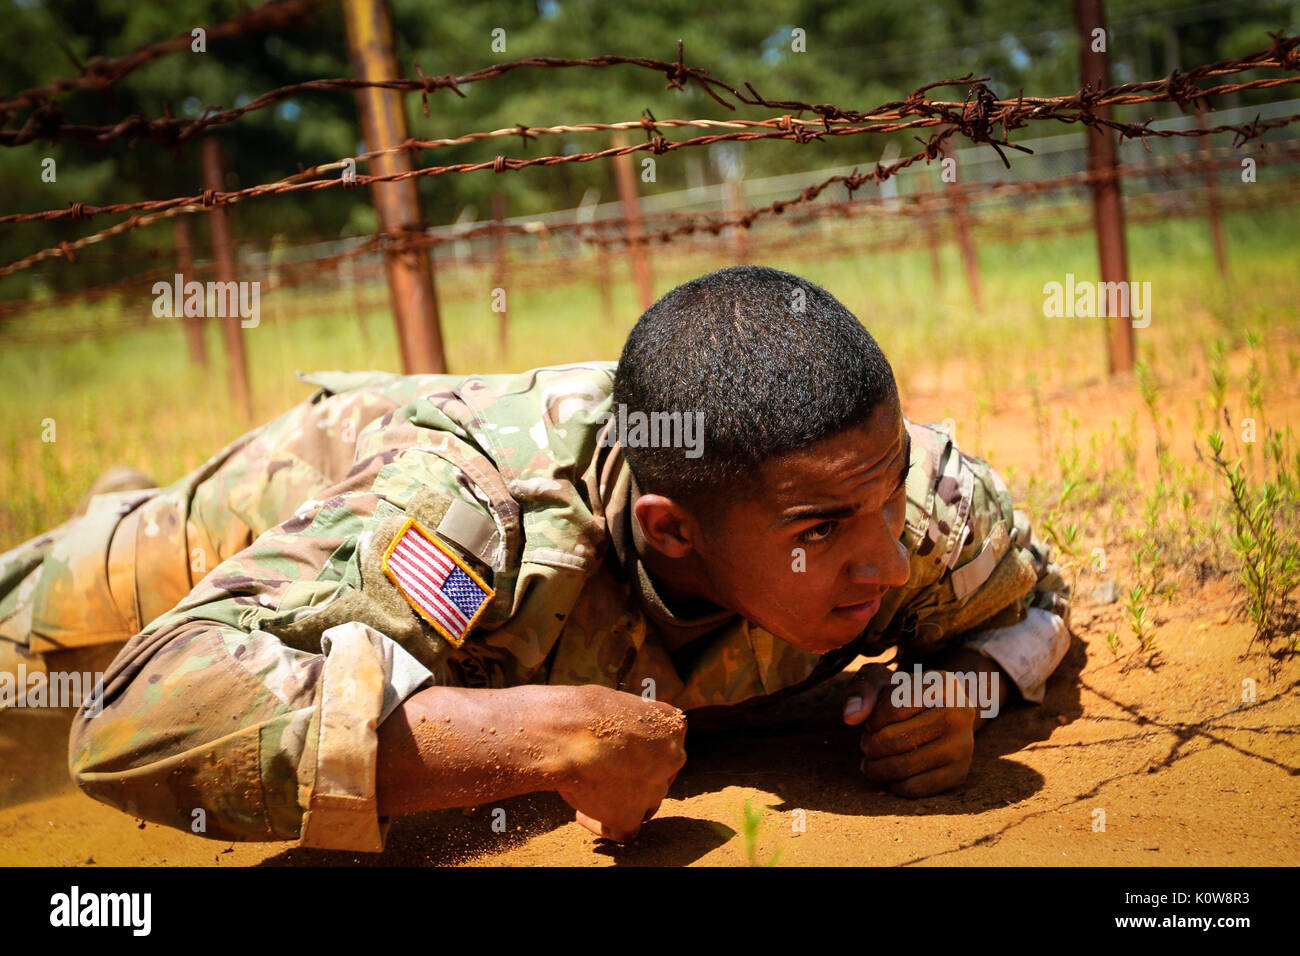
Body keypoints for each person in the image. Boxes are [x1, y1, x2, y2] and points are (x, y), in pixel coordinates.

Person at [0, 265, 1070, 851]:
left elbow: (1036, 601)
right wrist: (544, 729)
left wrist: (964, 683)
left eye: (883, 503)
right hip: (303, 491)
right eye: (821, 535)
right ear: (670, 529)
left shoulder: (911, 496)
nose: (886, 561)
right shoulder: (479, 521)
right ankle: (120, 508)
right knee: (43, 635)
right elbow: (135, 718)